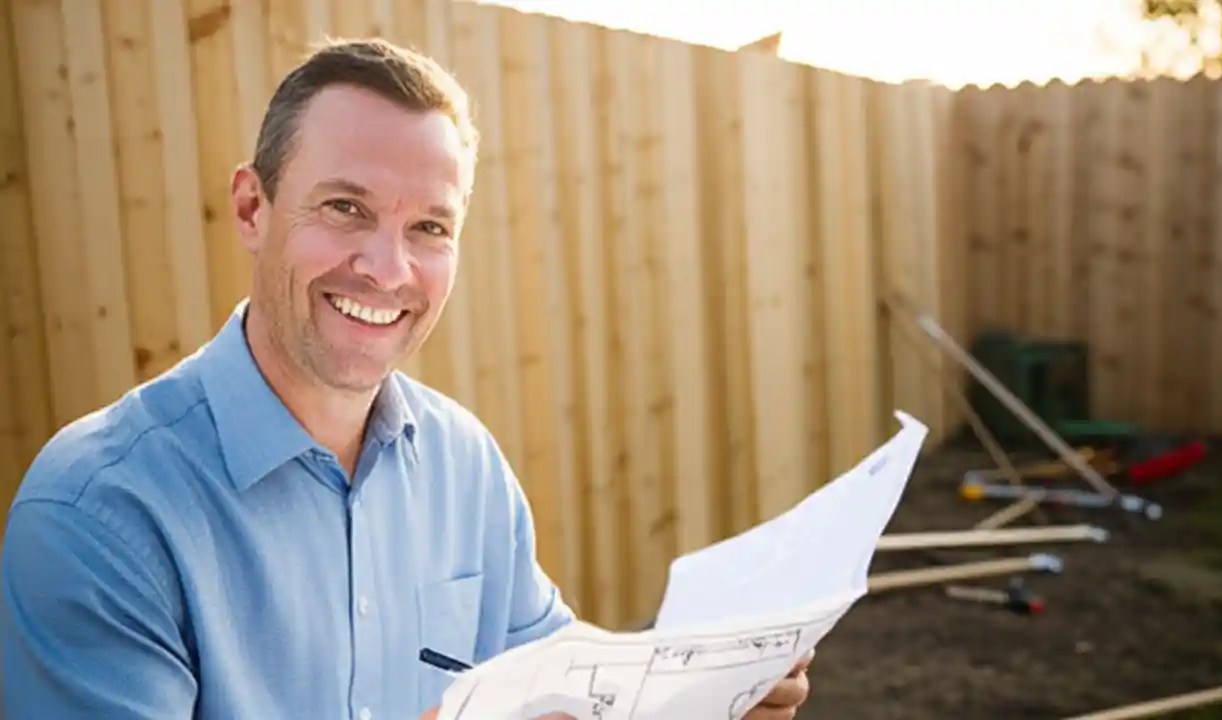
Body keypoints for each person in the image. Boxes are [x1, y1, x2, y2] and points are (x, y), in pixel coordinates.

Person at [0, 38, 812, 719]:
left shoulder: (465, 465)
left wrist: (703, 689)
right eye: (345, 208)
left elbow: (554, 682)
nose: (387, 269)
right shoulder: (98, 513)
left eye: (429, 227)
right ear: (252, 208)